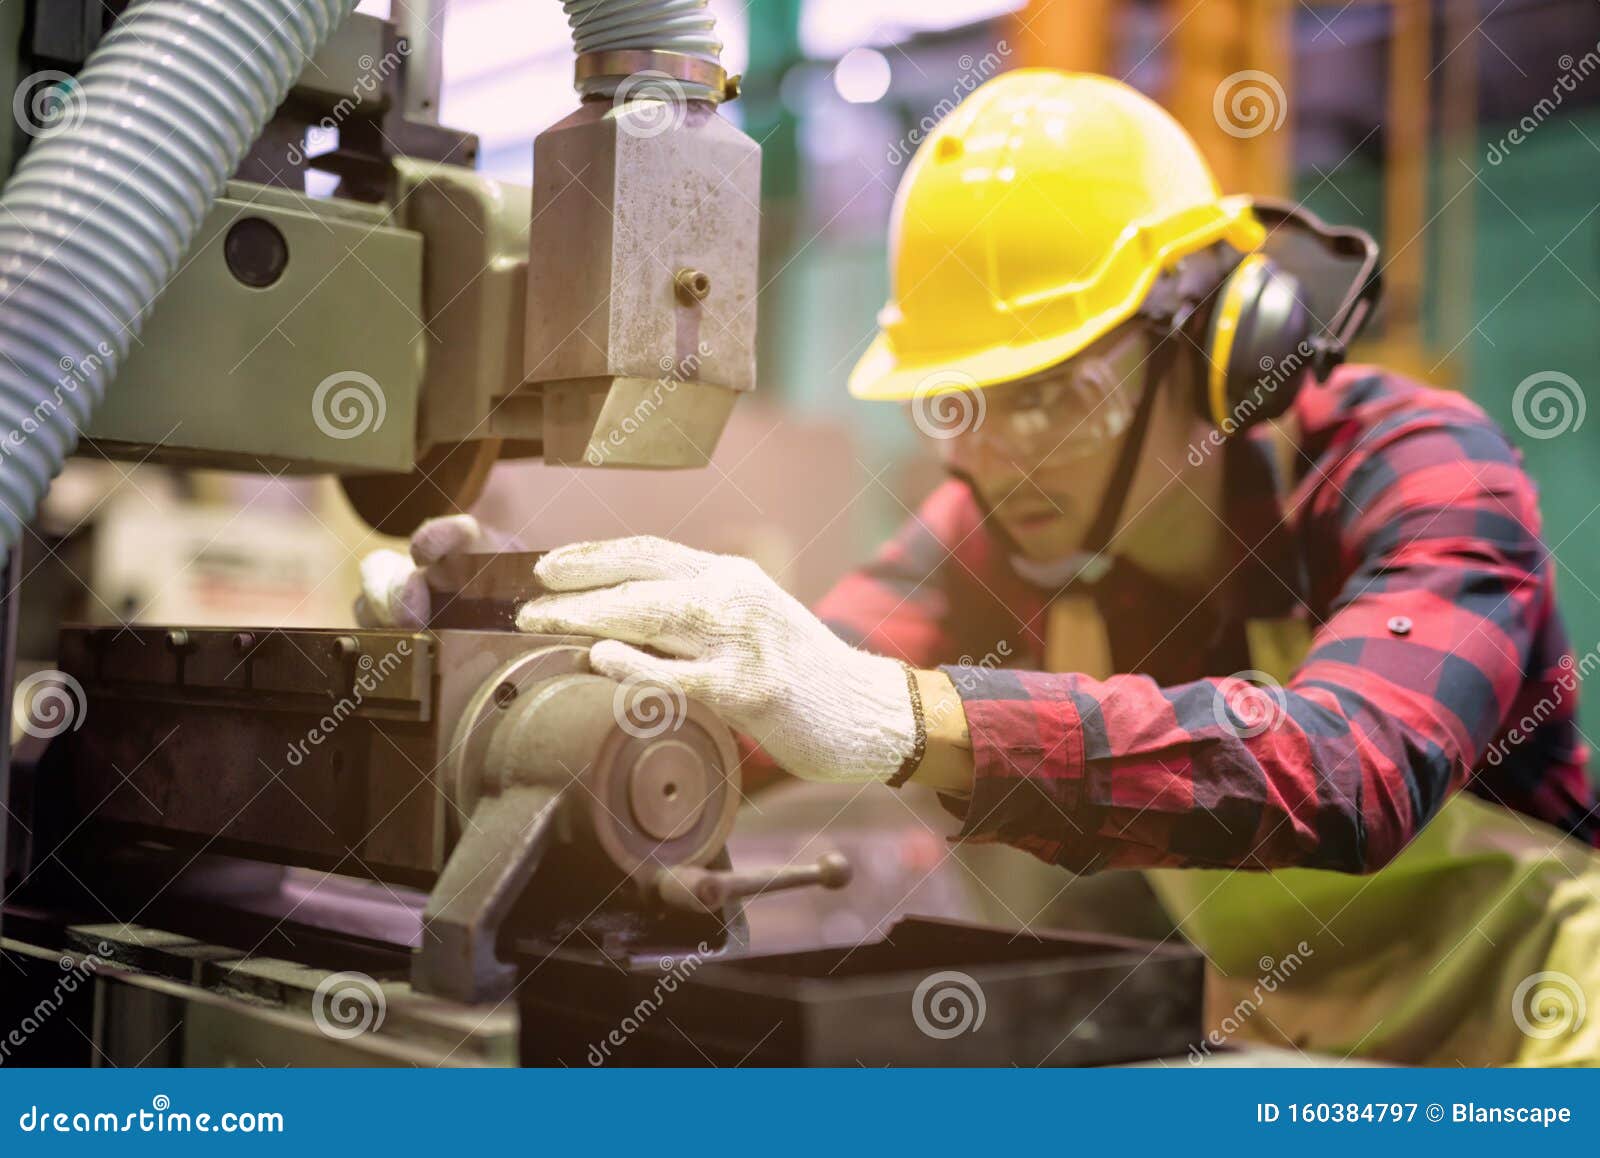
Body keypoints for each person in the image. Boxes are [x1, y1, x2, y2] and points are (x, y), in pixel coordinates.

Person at [359, 70, 1600, 1065]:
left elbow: (1346, 769)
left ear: (1221, 350)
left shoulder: (1423, 470)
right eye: (965, 400)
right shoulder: (998, 532)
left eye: (1052, 393)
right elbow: (753, 707)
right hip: (1289, 1056)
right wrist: (509, 667)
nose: (994, 452)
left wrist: (895, 713)